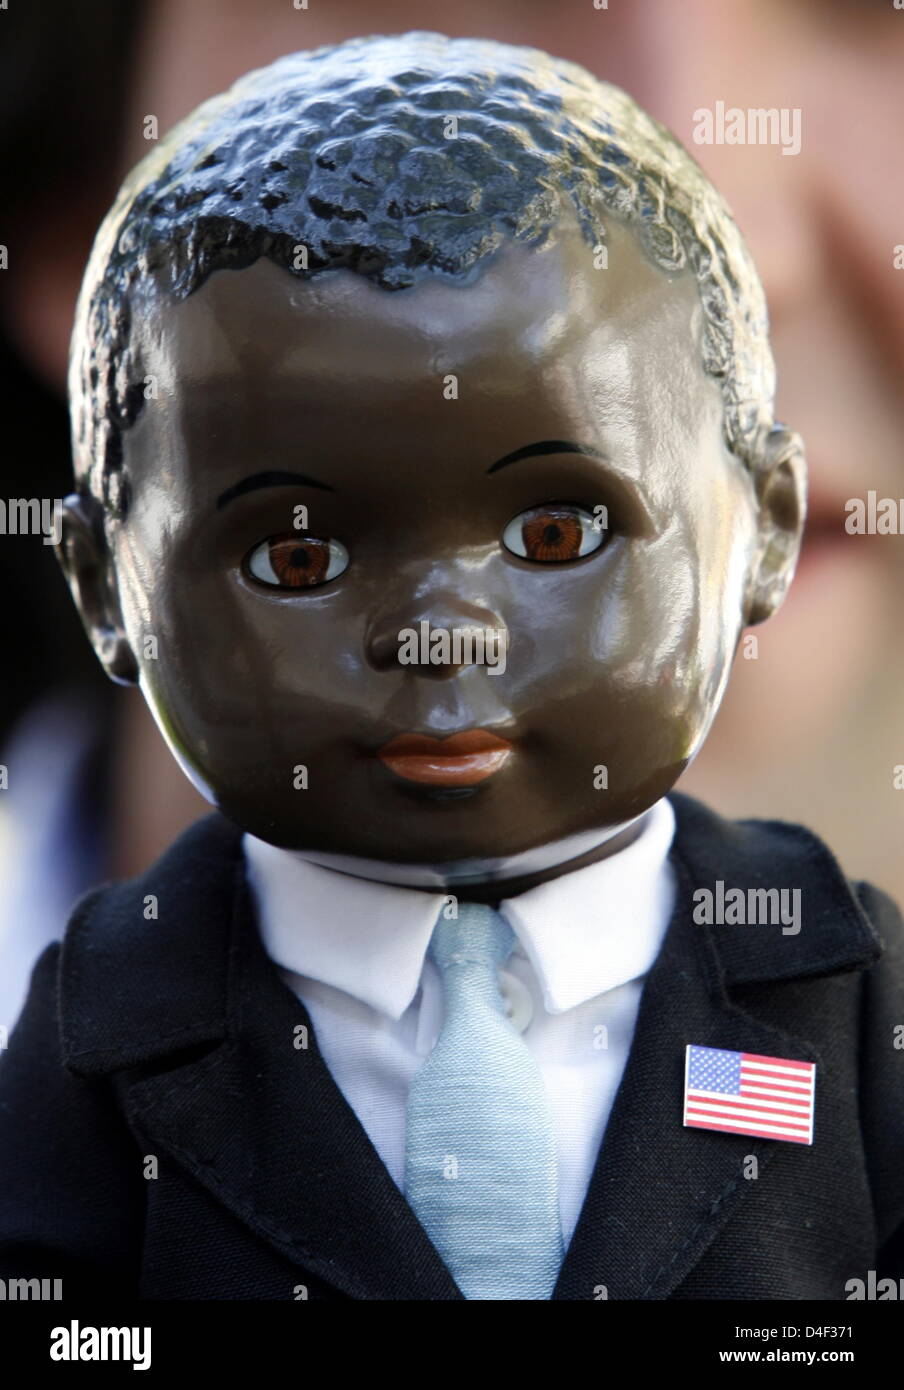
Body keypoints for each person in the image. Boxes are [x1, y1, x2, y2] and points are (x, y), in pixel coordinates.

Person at [0, 33, 901, 1300]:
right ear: (108, 587)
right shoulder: (105, 1020)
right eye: (297, 557)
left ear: (759, 524)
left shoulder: (834, 979)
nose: (442, 638)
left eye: (556, 533)